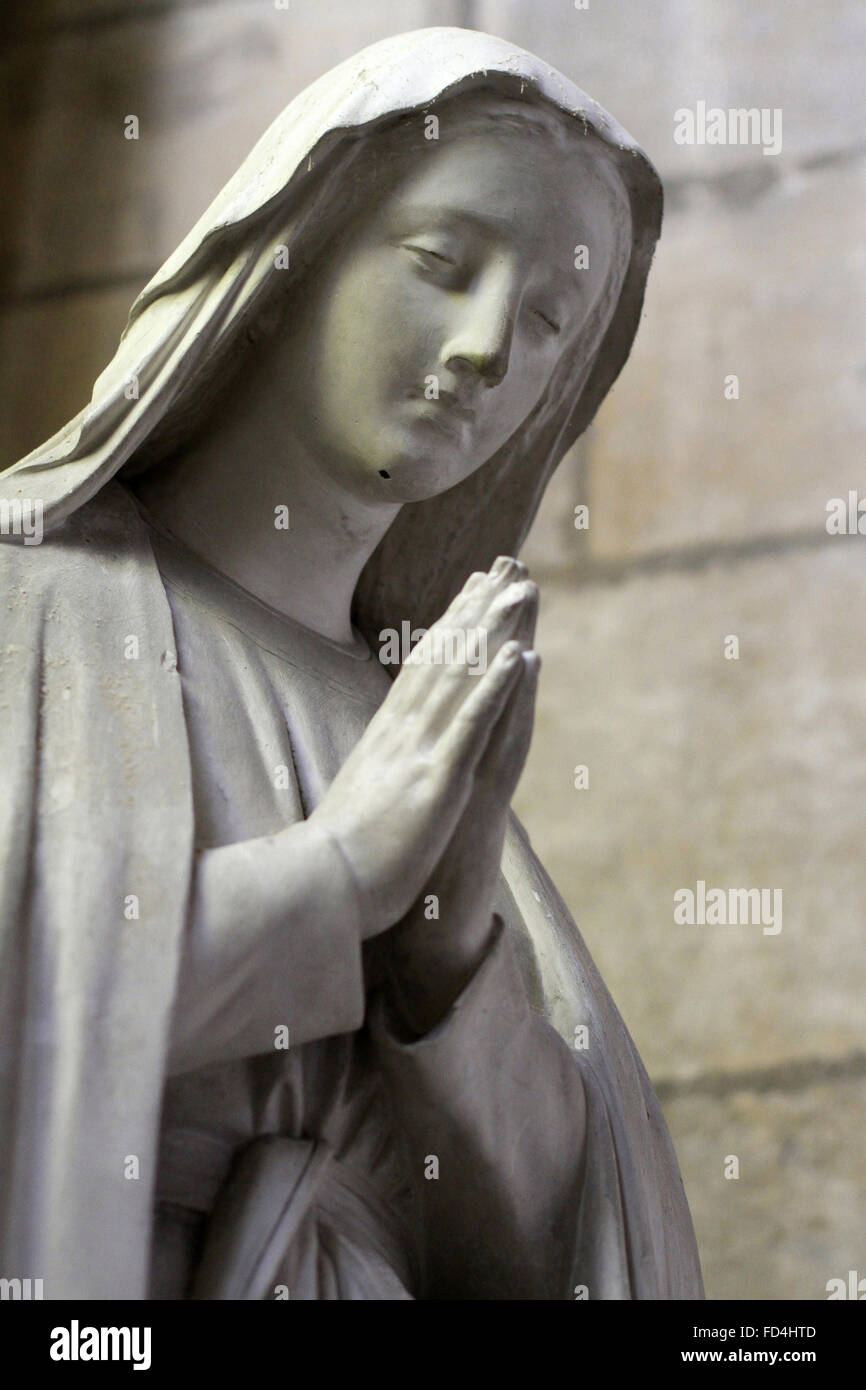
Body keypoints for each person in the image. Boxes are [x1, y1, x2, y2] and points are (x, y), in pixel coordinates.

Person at [0, 27, 703, 1299]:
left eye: (549, 319)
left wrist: (446, 972)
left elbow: (575, 1237)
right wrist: (336, 879)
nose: (490, 347)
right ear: (290, 257)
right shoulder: (29, 609)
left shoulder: (416, 728)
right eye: (441, 261)